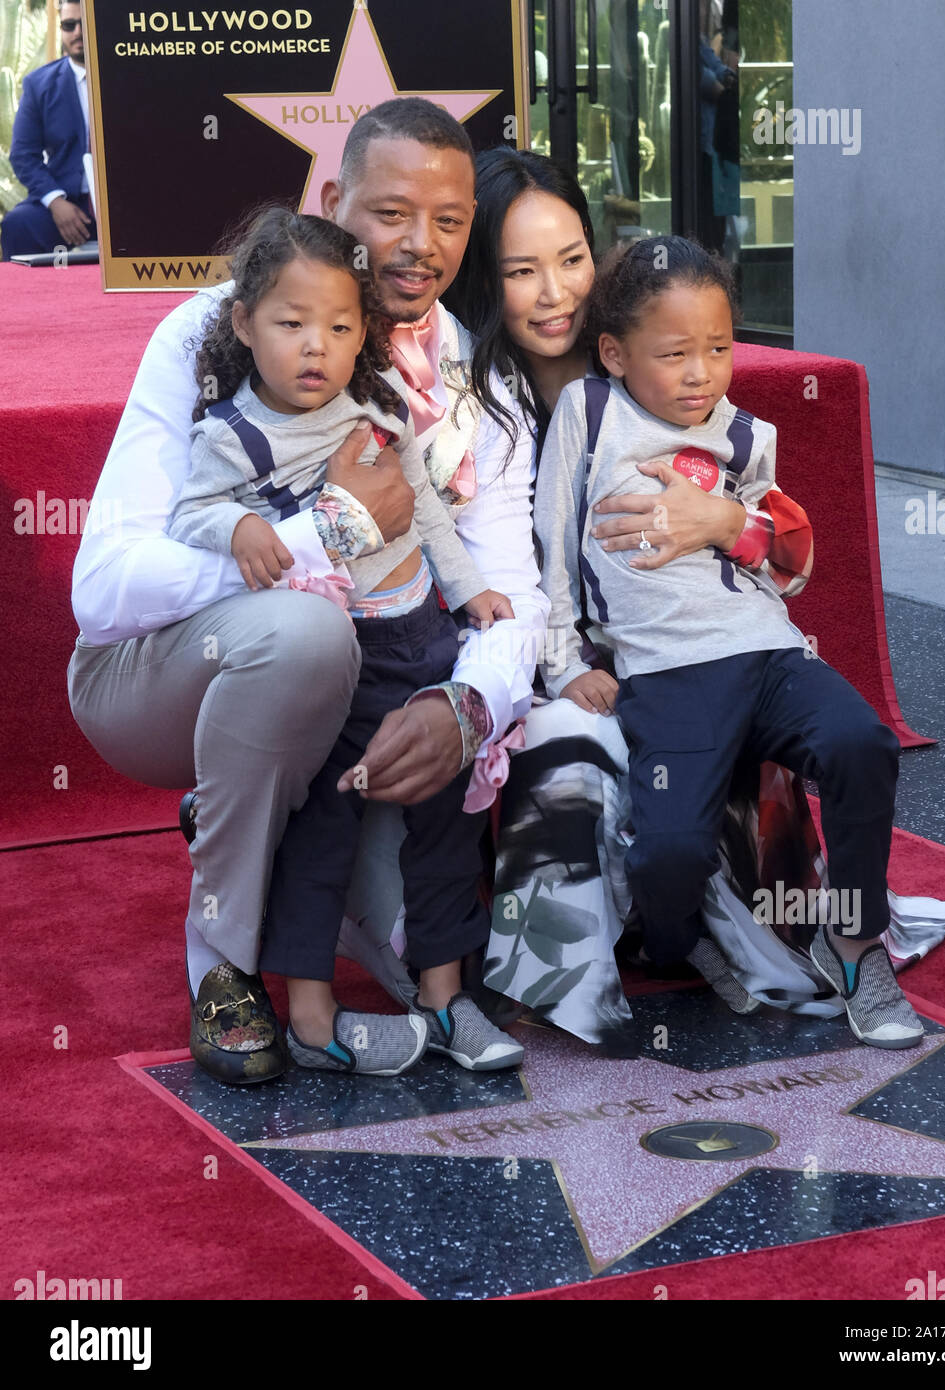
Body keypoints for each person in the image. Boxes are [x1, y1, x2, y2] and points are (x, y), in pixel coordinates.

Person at [68, 98, 549, 1084]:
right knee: (303, 636)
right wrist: (327, 532)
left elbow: (510, 591)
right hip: (161, 674)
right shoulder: (216, 330)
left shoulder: (466, 376)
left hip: (375, 687)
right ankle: (223, 965)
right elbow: (105, 590)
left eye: (448, 221)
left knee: (436, 956)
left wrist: (468, 705)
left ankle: (264, 801)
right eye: (390, 213)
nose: (419, 246)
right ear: (334, 202)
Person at [534, 233, 924, 1050]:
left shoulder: (746, 435)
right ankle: (677, 943)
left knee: (862, 743)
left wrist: (726, 520)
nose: (700, 373)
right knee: (668, 854)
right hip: (666, 671)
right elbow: (552, 542)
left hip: (768, 649)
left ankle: (854, 942)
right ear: (614, 353)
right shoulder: (591, 412)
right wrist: (563, 661)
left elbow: (791, 565)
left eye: (717, 348)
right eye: (674, 353)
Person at [170, 205, 523, 1074]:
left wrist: (467, 588)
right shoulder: (232, 435)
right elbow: (189, 513)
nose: (315, 348)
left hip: (422, 638)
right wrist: (237, 529)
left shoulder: (374, 405)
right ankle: (312, 1014)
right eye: (291, 324)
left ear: (363, 332)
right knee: (320, 829)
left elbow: (424, 504)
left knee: (445, 820)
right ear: (244, 324)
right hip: (337, 658)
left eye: (337, 327)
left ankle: (445, 998)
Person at [1, 0, 96, 261]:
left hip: (120, 203)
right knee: (18, 224)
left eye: (85, 24)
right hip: (67, 201)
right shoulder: (39, 85)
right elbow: (23, 155)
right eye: (69, 25)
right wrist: (55, 201)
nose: (77, 32)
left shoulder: (126, 78)